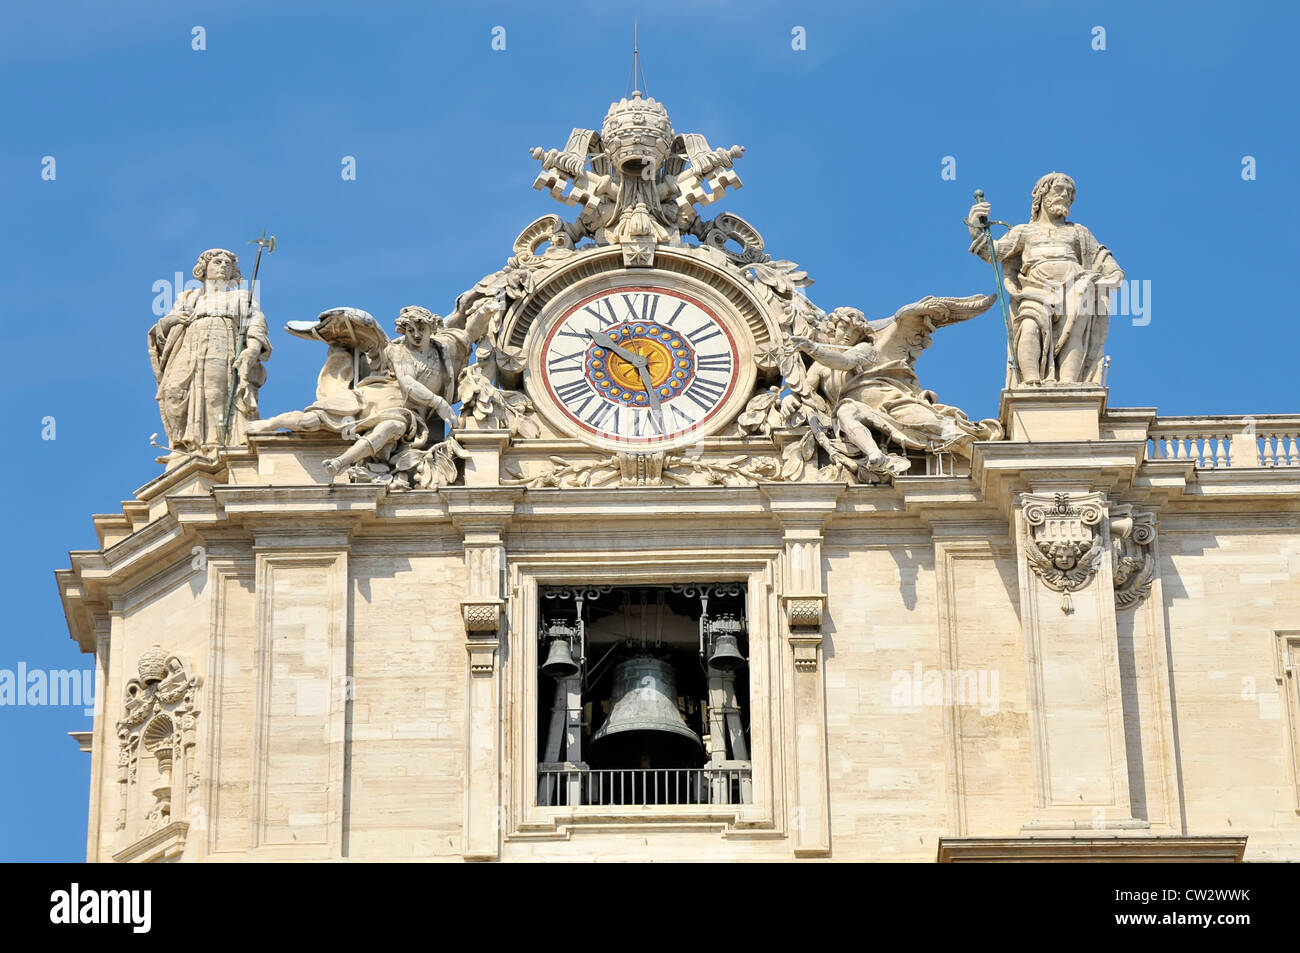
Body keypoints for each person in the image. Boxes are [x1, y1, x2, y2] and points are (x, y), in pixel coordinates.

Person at [966, 172, 1123, 385]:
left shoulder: (1078, 232)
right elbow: (992, 253)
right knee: (1029, 326)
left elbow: (1104, 261)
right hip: (1035, 290)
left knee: (1074, 332)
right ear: (1042, 194)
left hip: (1075, 287)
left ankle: (1069, 386)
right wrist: (976, 228)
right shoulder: (1024, 231)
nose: (1065, 196)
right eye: (1059, 190)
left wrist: (1110, 277)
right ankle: (1030, 383)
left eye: (1070, 193)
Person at [148, 248, 270, 455]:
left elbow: (256, 324)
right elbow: (160, 332)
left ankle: (214, 445)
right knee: (173, 392)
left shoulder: (241, 297)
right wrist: (172, 320)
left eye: (227, 264)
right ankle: (183, 445)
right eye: (217, 262)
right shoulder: (188, 297)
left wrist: (252, 349)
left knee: (215, 393)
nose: (223, 266)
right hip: (188, 346)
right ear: (204, 269)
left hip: (221, 342)